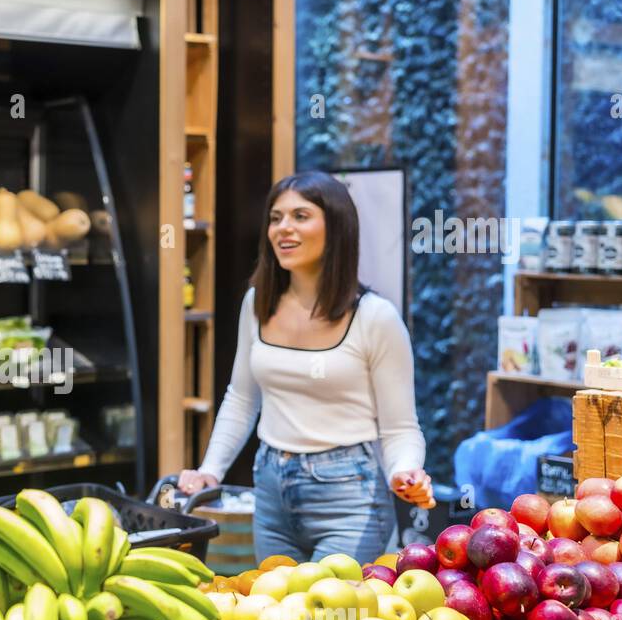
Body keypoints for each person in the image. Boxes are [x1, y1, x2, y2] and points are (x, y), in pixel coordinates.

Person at [178, 171, 433, 564]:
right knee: (278, 617)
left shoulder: (375, 317)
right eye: (275, 217)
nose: (283, 228)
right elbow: (242, 399)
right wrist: (210, 470)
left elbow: (400, 427)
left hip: (350, 497)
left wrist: (405, 471)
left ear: (336, 226)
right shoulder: (257, 304)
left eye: (300, 216)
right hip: (269, 490)